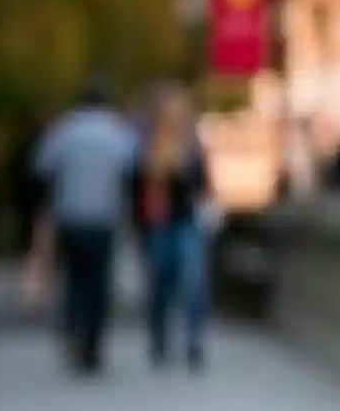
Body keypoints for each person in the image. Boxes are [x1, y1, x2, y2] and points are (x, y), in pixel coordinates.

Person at [32, 75, 137, 375]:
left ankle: (73, 329)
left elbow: (42, 167)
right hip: (103, 217)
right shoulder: (117, 132)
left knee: (74, 279)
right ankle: (93, 344)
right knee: (98, 283)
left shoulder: (65, 130)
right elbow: (133, 167)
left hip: (70, 215)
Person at [130, 84, 212, 371]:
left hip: (187, 220)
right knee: (161, 283)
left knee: (193, 282)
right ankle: (159, 337)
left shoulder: (193, 149)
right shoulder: (146, 148)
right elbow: (135, 190)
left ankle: (193, 341)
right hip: (159, 224)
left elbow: (204, 187)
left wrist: (184, 172)